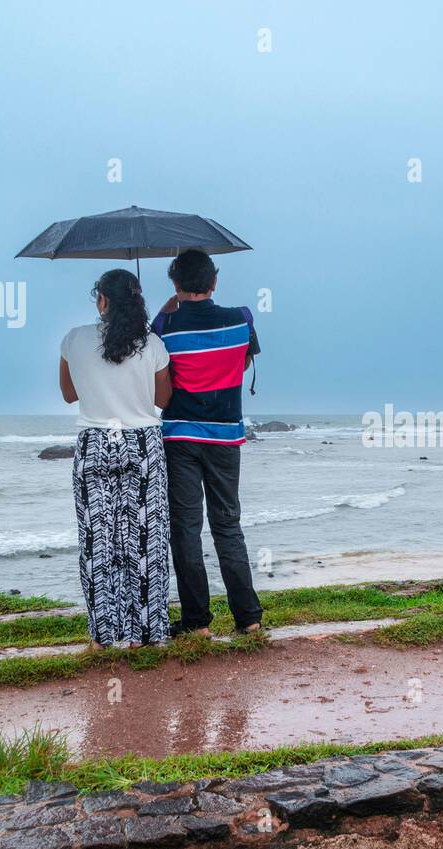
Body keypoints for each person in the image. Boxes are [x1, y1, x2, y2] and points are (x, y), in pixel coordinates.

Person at [59, 269, 173, 648]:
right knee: (147, 541)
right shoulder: (152, 344)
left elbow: (69, 394)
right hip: (142, 443)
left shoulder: (74, 339)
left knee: (98, 542)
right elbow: (162, 400)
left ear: (102, 301)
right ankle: (146, 633)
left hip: (95, 442)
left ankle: (102, 636)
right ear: (137, 300)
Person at [153, 249, 263, 637]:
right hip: (225, 437)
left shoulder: (165, 325)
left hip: (180, 435)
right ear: (214, 281)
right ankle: (248, 618)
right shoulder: (241, 319)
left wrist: (166, 310)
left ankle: (197, 622)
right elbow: (243, 363)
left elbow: (155, 370)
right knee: (227, 524)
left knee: (185, 527)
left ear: (175, 283)